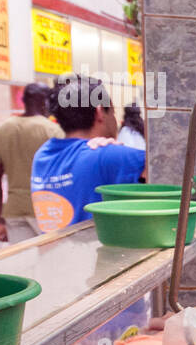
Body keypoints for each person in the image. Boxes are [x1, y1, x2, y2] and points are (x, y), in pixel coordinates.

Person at [30, 75, 145, 233]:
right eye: (112, 111)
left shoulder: (43, 155)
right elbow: (175, 169)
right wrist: (113, 151)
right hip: (98, 254)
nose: (115, 120)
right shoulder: (109, 155)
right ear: (100, 112)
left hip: (55, 254)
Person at [0, 83, 63, 244]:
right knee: (54, 263)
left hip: (14, 211)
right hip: (47, 210)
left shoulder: (0, 131)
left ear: (24, 100)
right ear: (46, 102)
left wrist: (0, 220)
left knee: (23, 265)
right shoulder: (53, 131)